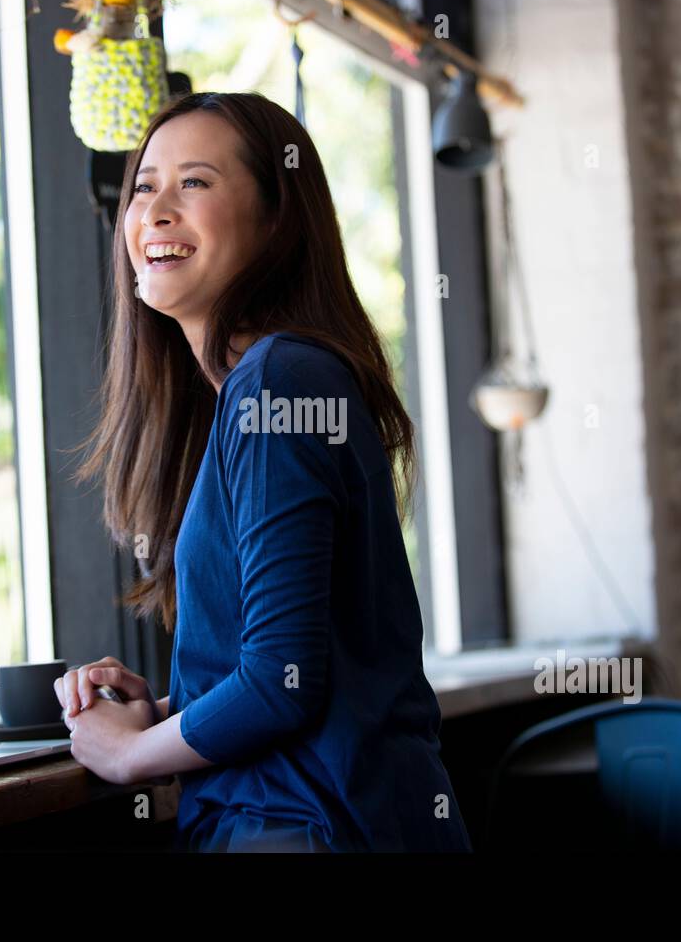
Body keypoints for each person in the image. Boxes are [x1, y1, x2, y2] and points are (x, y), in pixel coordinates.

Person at [55, 91, 471, 852]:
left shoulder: (278, 382)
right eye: (144, 186)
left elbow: (285, 679)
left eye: (196, 182)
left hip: (309, 830)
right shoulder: (269, 387)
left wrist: (127, 752)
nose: (156, 209)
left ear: (278, 219)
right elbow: (302, 668)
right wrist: (172, 710)